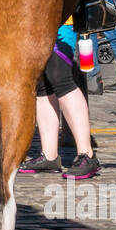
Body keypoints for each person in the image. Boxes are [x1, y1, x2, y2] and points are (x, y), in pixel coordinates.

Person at [20, 20, 99, 180]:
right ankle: (49, 156)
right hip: (36, 21)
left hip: (62, 20)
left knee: (61, 78)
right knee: (43, 84)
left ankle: (87, 154)